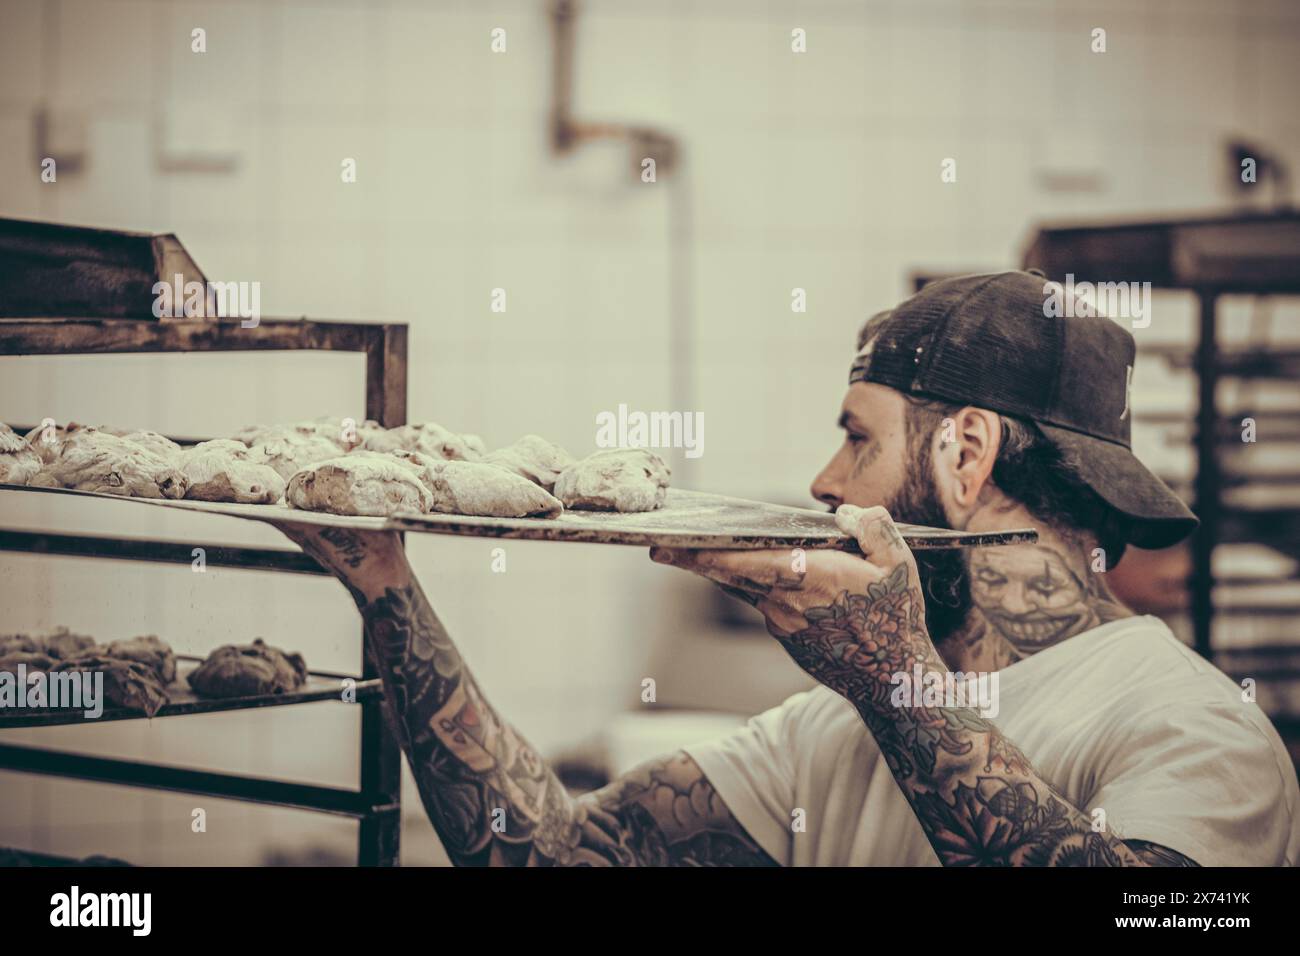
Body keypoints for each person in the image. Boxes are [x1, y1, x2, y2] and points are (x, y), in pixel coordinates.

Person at [276, 271, 1299, 866]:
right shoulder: (828, 726)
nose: (823, 479)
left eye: (857, 439)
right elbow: (540, 858)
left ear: (966, 454)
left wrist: (895, 682)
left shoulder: (1195, 728)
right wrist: (381, 581)